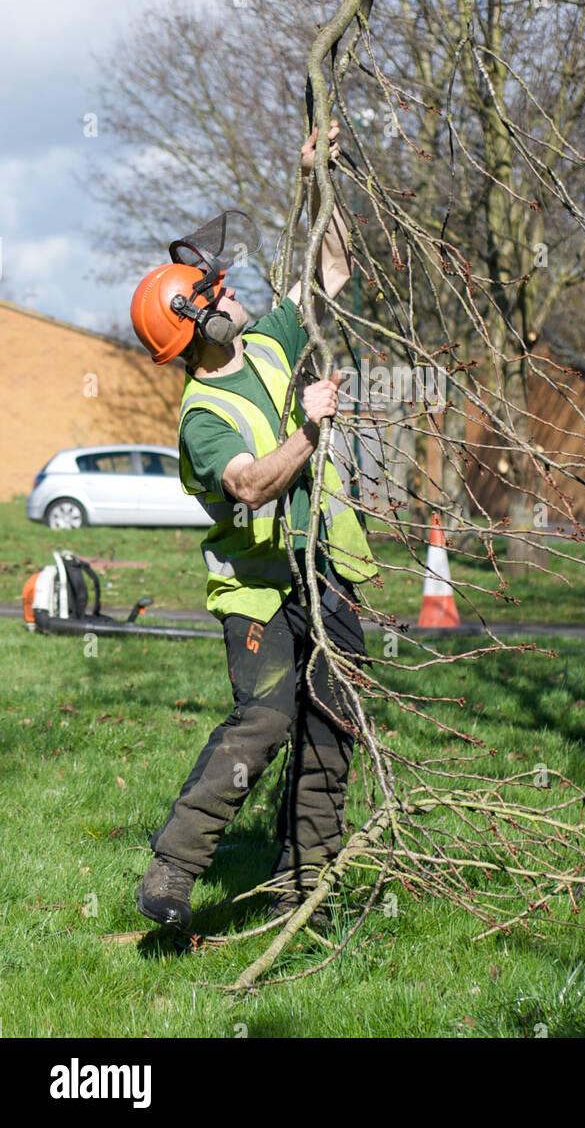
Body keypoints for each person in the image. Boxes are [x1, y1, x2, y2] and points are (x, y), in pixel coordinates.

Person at [129, 120, 377, 930]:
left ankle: (303, 889)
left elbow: (329, 268)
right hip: (261, 594)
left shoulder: (270, 346)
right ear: (199, 327)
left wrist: (317, 179)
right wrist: (308, 429)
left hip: (323, 570)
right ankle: (174, 871)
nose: (233, 291)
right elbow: (252, 487)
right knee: (267, 718)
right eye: (218, 296)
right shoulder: (203, 418)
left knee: (334, 723)